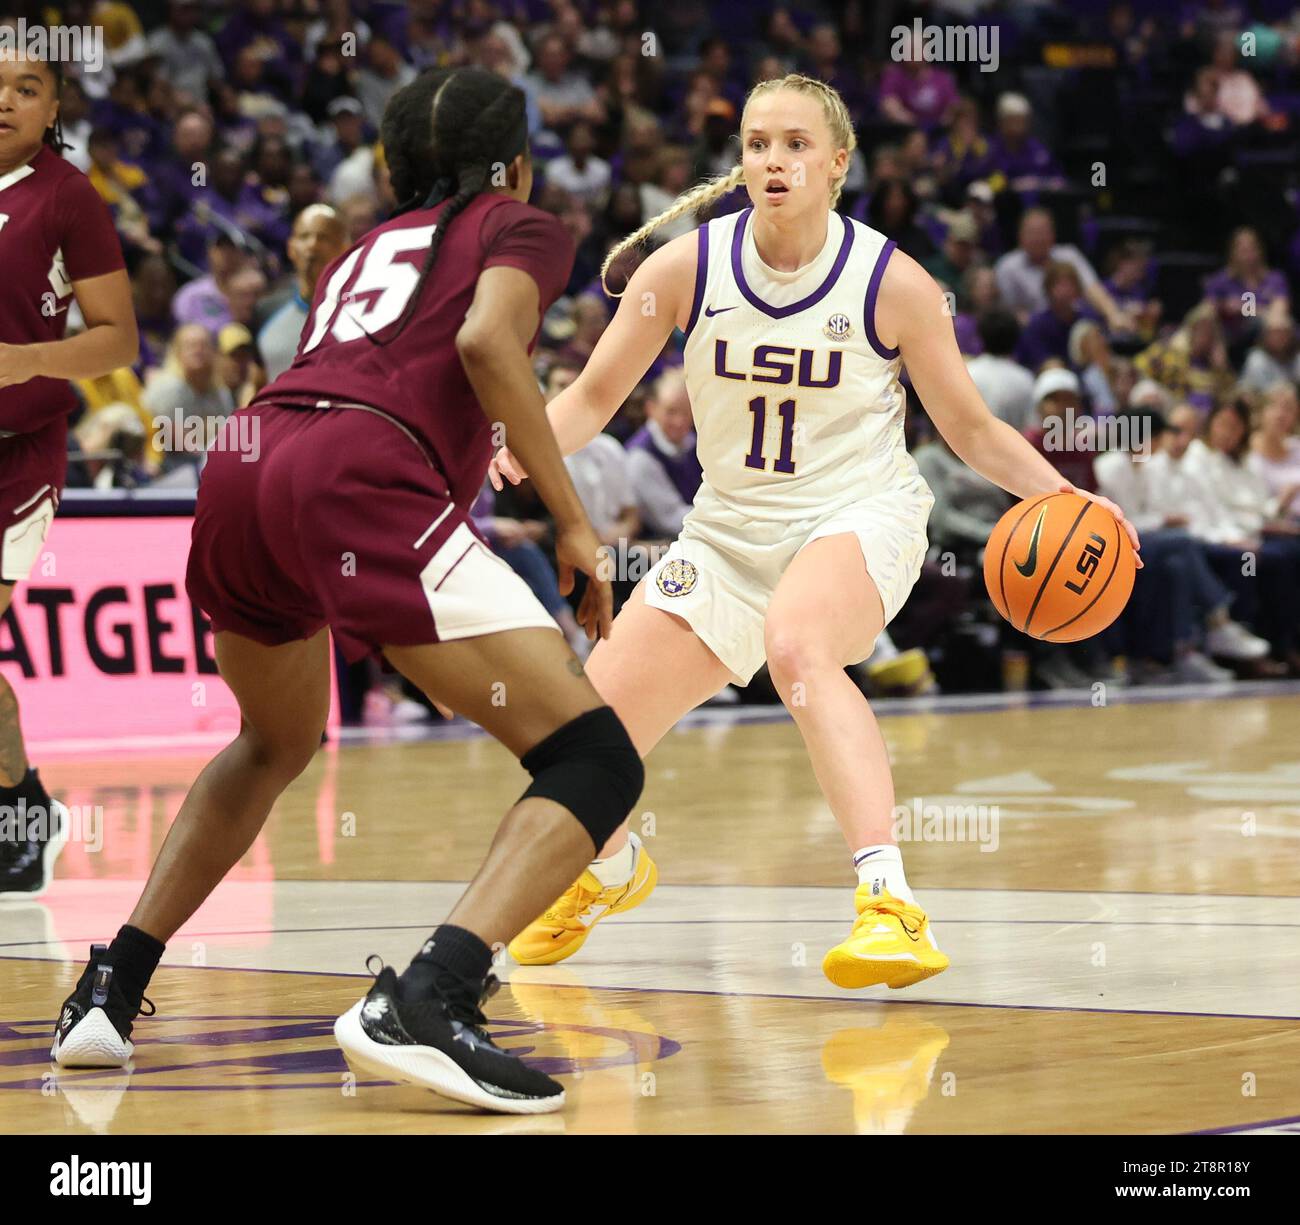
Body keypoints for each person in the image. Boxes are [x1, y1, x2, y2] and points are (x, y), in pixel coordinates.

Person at [49, 67, 643, 1117]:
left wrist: (326, 263)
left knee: (271, 742)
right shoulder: (524, 223)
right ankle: (434, 993)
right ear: (512, 164)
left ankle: (111, 985)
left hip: (244, 462)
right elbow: (480, 342)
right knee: (592, 759)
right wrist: (575, 522)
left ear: (392, 166)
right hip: (357, 477)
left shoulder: (374, 243)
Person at [492, 74, 1140, 988]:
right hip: (726, 532)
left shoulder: (893, 281)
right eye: (757, 144)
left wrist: (1066, 498)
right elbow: (594, 397)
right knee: (579, 728)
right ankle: (607, 868)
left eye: (795, 145)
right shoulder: (683, 270)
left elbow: (971, 428)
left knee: (798, 647)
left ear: (838, 162)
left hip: (857, 512)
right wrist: (517, 445)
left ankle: (891, 906)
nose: (772, 161)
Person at [0, 49, 138, 897]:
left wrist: (25, 362)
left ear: (53, 109)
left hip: (19, 450)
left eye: (25, 89)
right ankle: (21, 799)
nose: (4, 101)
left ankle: (21, 802)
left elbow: (119, 338)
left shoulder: (67, 197)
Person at [257, 204, 348, 379]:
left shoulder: (359, 309)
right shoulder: (266, 310)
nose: (312, 245)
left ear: (344, 249)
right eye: (304, 236)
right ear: (290, 248)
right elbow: (256, 380)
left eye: (323, 237)